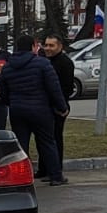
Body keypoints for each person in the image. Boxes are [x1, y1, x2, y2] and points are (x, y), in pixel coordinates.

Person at [0, 33, 69, 184]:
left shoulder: (8, 67)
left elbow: (2, 90)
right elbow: (54, 88)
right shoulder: (43, 64)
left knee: (22, 144)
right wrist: (62, 107)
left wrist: (11, 102)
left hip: (17, 110)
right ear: (33, 47)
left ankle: (22, 177)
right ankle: (56, 176)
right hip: (40, 110)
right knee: (47, 142)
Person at [42, 35, 76, 173]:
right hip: (44, 106)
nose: (48, 48)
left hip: (58, 107)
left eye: (51, 45)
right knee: (43, 139)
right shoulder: (45, 61)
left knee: (55, 139)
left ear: (59, 46)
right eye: (46, 45)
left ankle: (56, 169)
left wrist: (60, 106)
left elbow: (67, 88)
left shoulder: (65, 63)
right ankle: (44, 168)